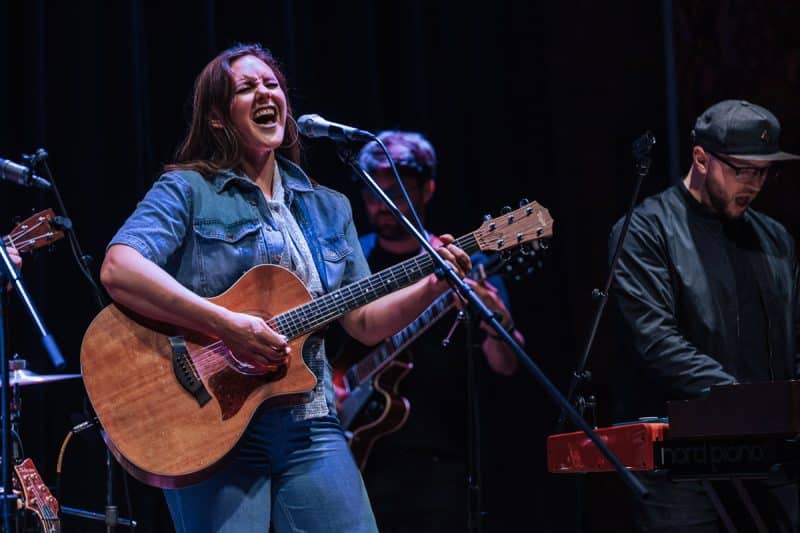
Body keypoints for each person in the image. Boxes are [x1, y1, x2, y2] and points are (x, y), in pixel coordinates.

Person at [98, 44, 472, 533]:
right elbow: (119, 268)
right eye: (246, 88)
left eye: (272, 84)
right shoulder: (188, 190)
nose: (264, 93)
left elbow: (363, 321)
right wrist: (225, 325)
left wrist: (432, 282)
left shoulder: (328, 206)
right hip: (214, 422)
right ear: (216, 117)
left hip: (311, 422)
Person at [609, 100, 800, 531]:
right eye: (742, 170)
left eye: (764, 171)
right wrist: (746, 403)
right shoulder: (644, 231)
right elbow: (655, 340)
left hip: (772, 459)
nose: (754, 184)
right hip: (683, 468)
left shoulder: (776, 238)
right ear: (700, 158)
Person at [342, 130, 523, 532]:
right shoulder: (353, 261)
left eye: (396, 193)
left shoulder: (465, 264)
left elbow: (506, 363)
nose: (381, 205)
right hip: (356, 458)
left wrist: (495, 317)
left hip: (439, 461)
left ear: (428, 189)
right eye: (373, 193)